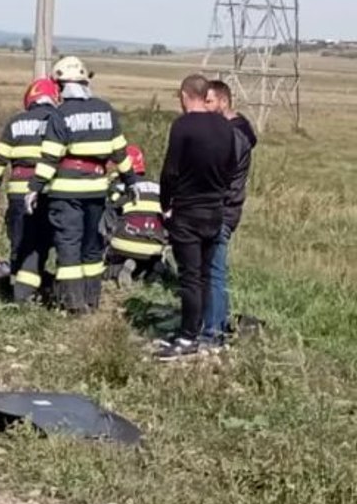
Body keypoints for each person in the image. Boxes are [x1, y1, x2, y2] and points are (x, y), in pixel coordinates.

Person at [26, 56, 137, 314]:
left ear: (61, 85)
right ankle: (92, 300)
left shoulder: (60, 114)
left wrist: (35, 187)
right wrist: (131, 182)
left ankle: (74, 306)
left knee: (69, 248)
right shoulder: (106, 111)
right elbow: (120, 153)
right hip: (97, 191)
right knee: (91, 247)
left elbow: (50, 157)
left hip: (66, 192)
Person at [156, 75, 238, 358]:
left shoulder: (183, 127)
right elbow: (231, 168)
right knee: (206, 274)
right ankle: (204, 330)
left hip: (188, 211)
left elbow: (171, 171)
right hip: (215, 210)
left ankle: (188, 336)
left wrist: (164, 203)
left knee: (190, 277)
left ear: (184, 95)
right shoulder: (225, 127)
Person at [0, 78, 60, 303]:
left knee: (20, 242)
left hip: (19, 192)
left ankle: (16, 289)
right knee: (46, 242)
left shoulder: (15, 122)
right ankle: (46, 287)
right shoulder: (58, 120)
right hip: (49, 191)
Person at [201, 80, 258, 346]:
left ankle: (212, 332)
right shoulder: (238, 130)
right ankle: (218, 323)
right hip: (224, 207)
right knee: (213, 268)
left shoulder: (233, 136)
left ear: (224, 101)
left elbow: (219, 175)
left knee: (213, 270)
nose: (205, 107)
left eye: (209, 101)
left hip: (221, 209)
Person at [104, 145, 167, 286]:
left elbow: (106, 222)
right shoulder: (159, 188)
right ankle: (153, 269)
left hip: (124, 242)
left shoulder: (118, 189)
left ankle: (118, 268)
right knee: (148, 257)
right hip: (155, 245)